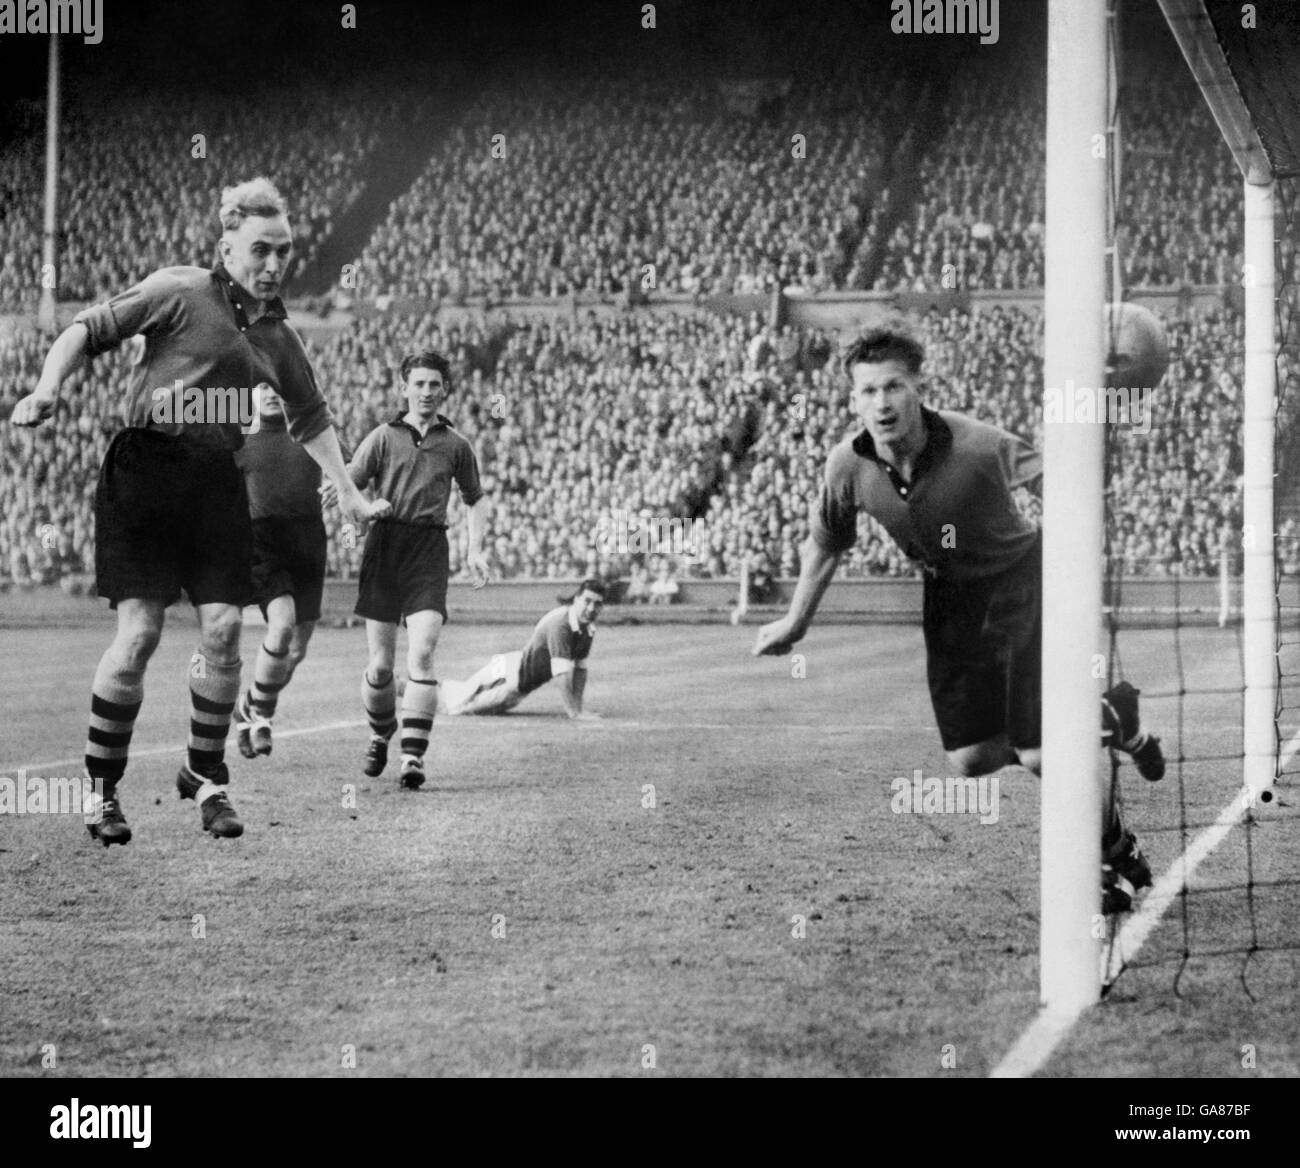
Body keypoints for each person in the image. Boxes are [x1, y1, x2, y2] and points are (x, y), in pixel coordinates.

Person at [8, 177, 389, 846]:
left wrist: (351, 491)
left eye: (285, 252)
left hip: (218, 480)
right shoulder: (179, 291)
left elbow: (311, 416)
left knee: (221, 631)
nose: (274, 265)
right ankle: (101, 793)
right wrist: (46, 389)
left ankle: (206, 775)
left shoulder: (277, 336)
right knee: (141, 634)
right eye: (261, 250)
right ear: (227, 247)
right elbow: (85, 329)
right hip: (146, 470)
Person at [753, 326, 1165, 914]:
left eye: (894, 386)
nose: (883, 402)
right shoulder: (847, 465)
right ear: (852, 399)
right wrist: (795, 623)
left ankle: (1107, 858)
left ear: (918, 387)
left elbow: (1065, 487)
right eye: (868, 390)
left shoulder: (978, 443)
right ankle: (1107, 717)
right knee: (970, 760)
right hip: (948, 597)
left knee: (1043, 750)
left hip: (1022, 580)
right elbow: (825, 543)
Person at [342, 350, 490, 788]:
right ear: (404, 387)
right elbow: (348, 489)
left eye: (435, 385)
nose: (427, 392)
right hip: (385, 545)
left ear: (445, 390)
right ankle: (379, 732)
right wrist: (366, 510)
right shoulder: (383, 437)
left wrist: (475, 549)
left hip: (428, 548)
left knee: (423, 650)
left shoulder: (456, 445)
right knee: (382, 665)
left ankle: (412, 758)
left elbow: (475, 498)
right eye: (419, 384)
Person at [232, 386, 326, 759]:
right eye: (263, 387)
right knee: (282, 625)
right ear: (252, 395)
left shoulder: (312, 434)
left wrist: (340, 481)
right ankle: (263, 718)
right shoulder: (241, 442)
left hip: (308, 540)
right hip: (264, 540)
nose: (272, 393)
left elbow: (350, 469)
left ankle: (249, 704)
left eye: (277, 386)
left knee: (298, 649)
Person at [439, 581, 606, 717]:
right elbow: (561, 673)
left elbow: (580, 670)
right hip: (509, 676)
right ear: (576, 599)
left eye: (597, 604)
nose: (591, 608)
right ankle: (421, 693)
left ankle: (426, 692)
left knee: (463, 700)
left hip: (517, 684)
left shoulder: (587, 628)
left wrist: (579, 708)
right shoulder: (561, 625)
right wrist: (574, 712)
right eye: (587, 601)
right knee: (456, 706)